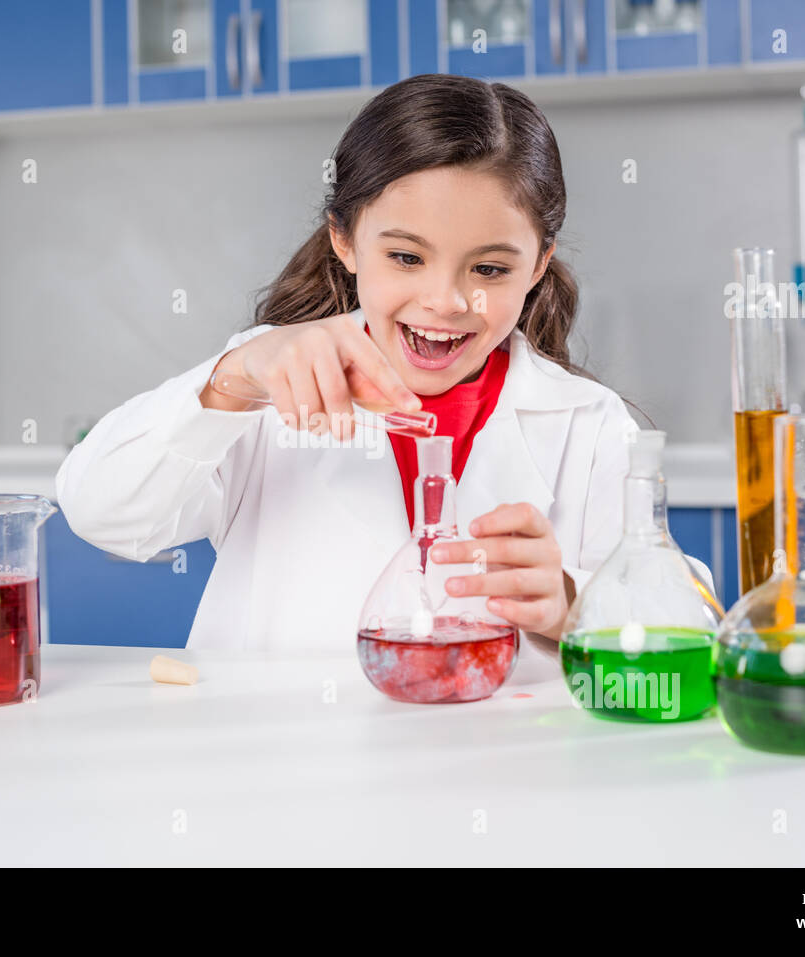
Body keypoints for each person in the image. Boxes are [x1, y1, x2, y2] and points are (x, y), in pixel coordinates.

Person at [57, 74, 691, 653]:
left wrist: (574, 606)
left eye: (490, 269)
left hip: (502, 774)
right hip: (279, 768)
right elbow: (101, 514)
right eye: (407, 258)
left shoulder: (590, 427)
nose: (445, 301)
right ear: (345, 238)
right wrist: (231, 381)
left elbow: (688, 629)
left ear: (538, 263)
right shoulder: (261, 391)